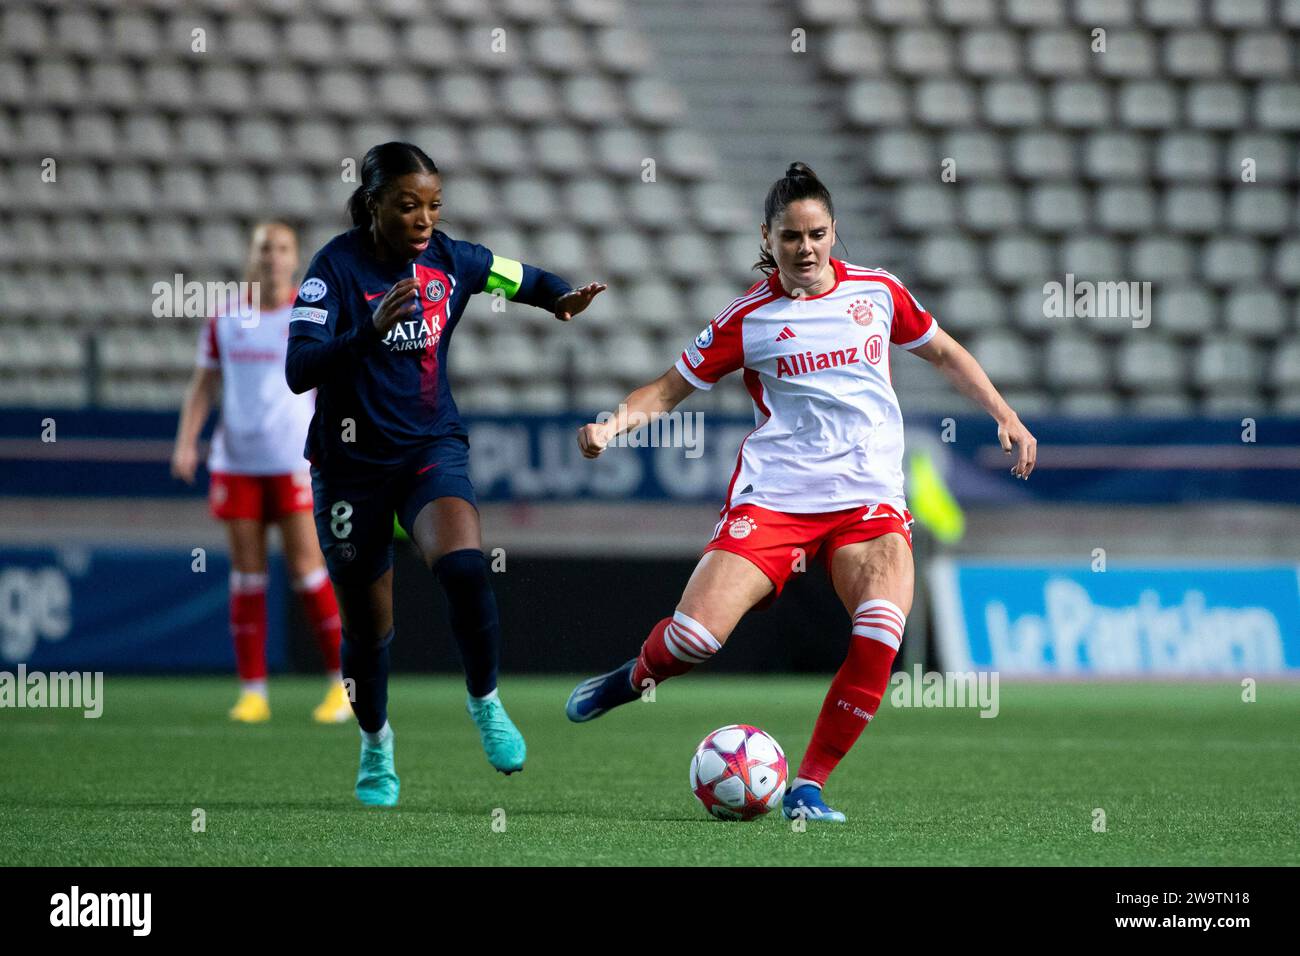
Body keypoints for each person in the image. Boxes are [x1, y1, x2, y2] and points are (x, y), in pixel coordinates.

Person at [565, 163, 1037, 823]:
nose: (807, 248)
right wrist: (612, 426)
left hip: (867, 499)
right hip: (776, 499)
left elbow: (945, 352)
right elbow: (668, 389)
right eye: (792, 237)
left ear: (834, 231)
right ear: (769, 237)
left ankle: (808, 786)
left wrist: (1004, 413)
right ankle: (632, 678)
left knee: (880, 629)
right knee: (696, 639)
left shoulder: (877, 292)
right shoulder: (748, 319)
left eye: (817, 233)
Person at [285, 142, 605, 807]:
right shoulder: (333, 272)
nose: (424, 219)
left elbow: (514, 275)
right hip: (350, 470)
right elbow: (298, 369)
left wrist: (560, 300)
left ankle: (485, 702)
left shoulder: (450, 261)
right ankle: (376, 747)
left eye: (433, 205)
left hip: (430, 449)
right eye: (408, 206)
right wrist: (368, 331)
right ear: (372, 206)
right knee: (369, 631)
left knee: (464, 565)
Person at [172, 221, 350, 724]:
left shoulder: (309, 315)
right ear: (252, 257)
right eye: (264, 249)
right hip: (238, 463)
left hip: (294, 461)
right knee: (248, 577)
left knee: (307, 572)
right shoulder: (228, 318)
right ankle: (253, 692)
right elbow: (203, 385)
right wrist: (187, 442)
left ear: (295, 259)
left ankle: (342, 686)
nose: (272, 257)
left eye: (282, 249)